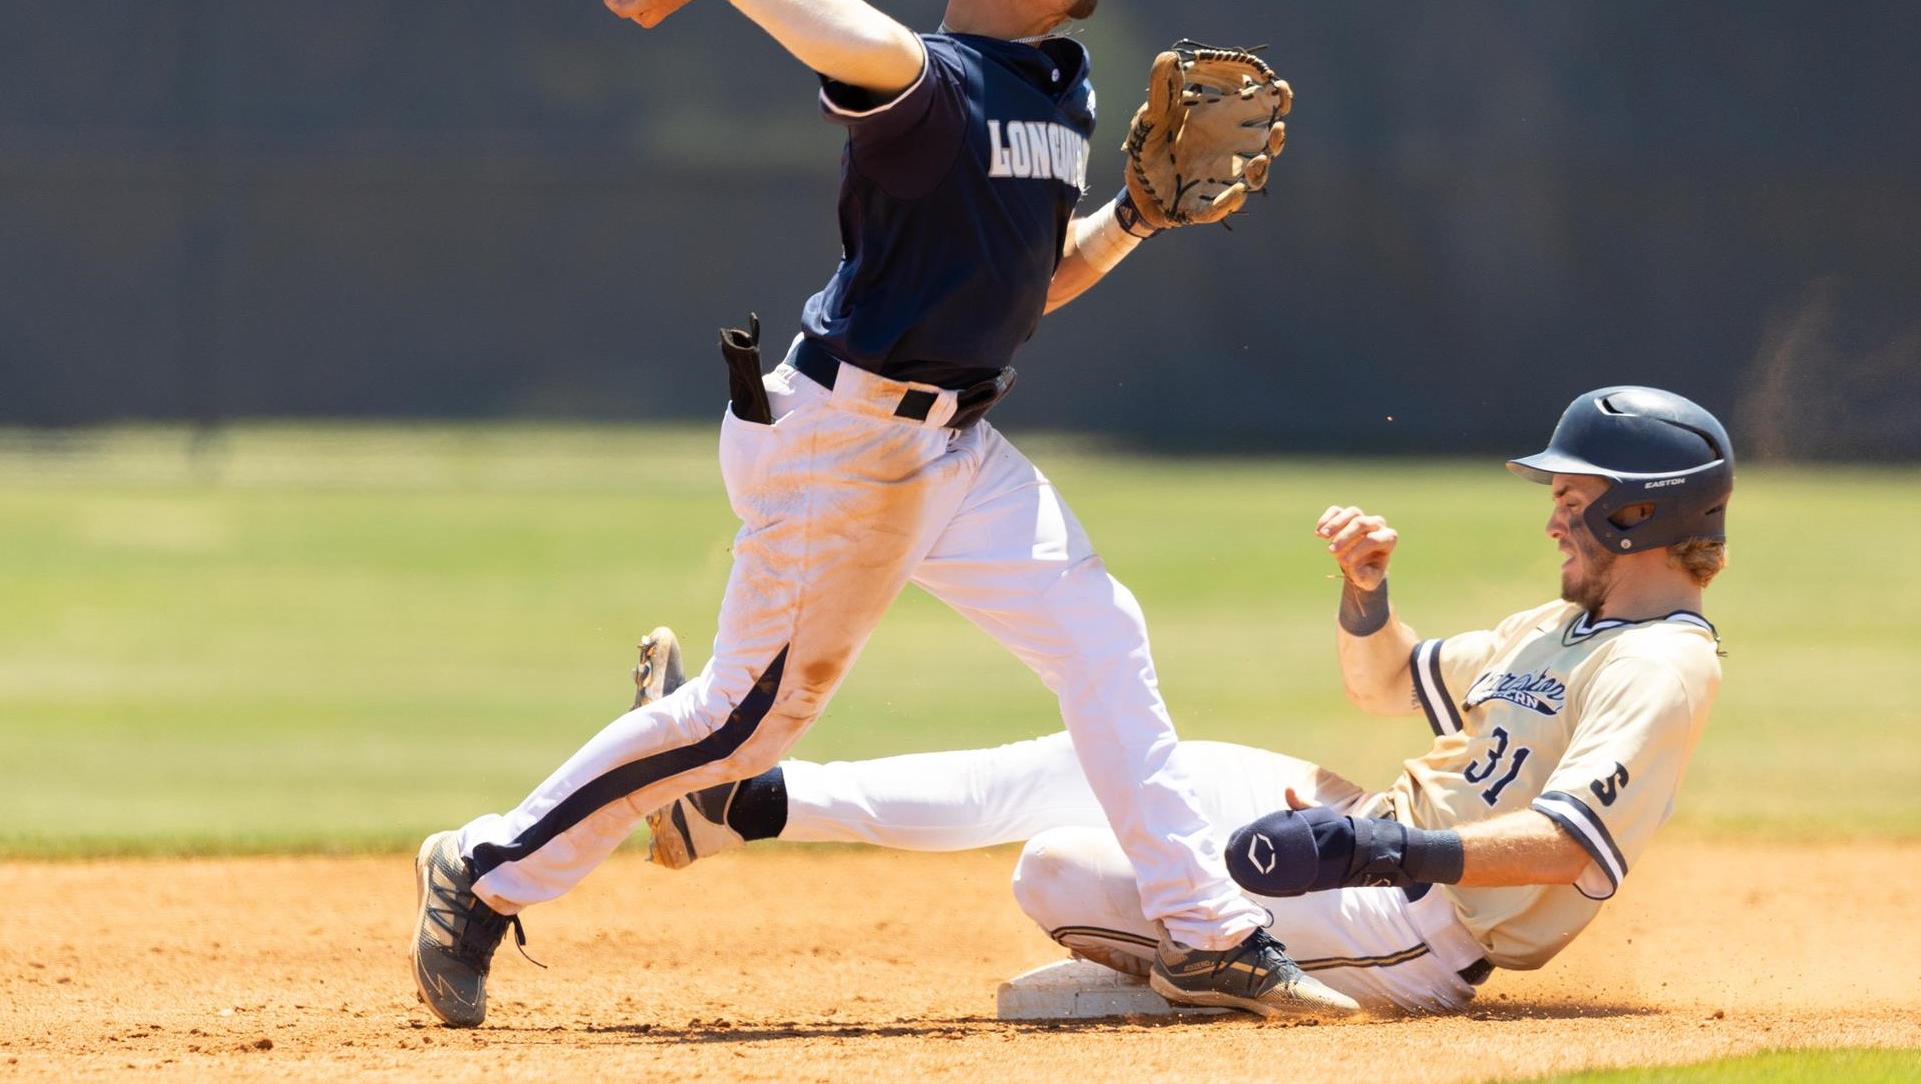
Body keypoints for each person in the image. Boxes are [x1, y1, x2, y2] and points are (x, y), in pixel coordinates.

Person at [411, 0, 1352, 1027]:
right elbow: (866, 44)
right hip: (842, 442)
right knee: (745, 721)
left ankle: (1207, 931)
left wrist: (1130, 218)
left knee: (1100, 635)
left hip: (950, 442)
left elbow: (1030, 284)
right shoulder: (924, 87)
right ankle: (479, 872)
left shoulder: (1057, 84)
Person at [640, 386, 1733, 1014]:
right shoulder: (1557, 626)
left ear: (1639, 517)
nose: (1553, 517)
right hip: (1362, 838)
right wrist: (1367, 595)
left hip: (1418, 931)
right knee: (1080, 753)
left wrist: (1369, 849)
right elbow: (1383, 680)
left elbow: (1564, 846)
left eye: (1574, 497)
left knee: (1054, 866)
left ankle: (1194, 978)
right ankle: (735, 801)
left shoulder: (1660, 664)